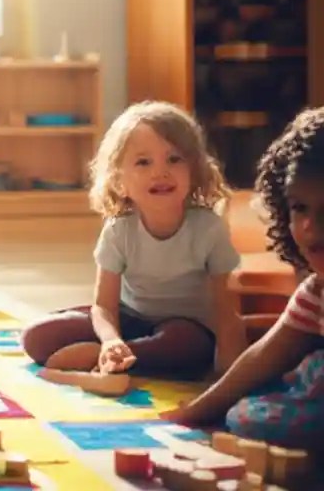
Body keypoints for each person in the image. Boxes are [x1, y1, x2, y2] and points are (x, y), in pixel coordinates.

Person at [21, 101, 246, 379]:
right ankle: (120, 355)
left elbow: (225, 308)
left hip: (185, 326)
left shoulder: (208, 229)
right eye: (143, 162)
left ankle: (112, 359)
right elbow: (104, 306)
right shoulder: (119, 230)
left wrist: (229, 367)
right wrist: (111, 340)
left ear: (195, 169)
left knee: (188, 346)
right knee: (36, 337)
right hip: (129, 319)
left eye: (174, 159)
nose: (160, 172)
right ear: (119, 180)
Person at [162, 107, 324, 452]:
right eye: (299, 209)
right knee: (246, 410)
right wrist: (195, 411)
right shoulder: (317, 290)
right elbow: (265, 356)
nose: (311, 228)